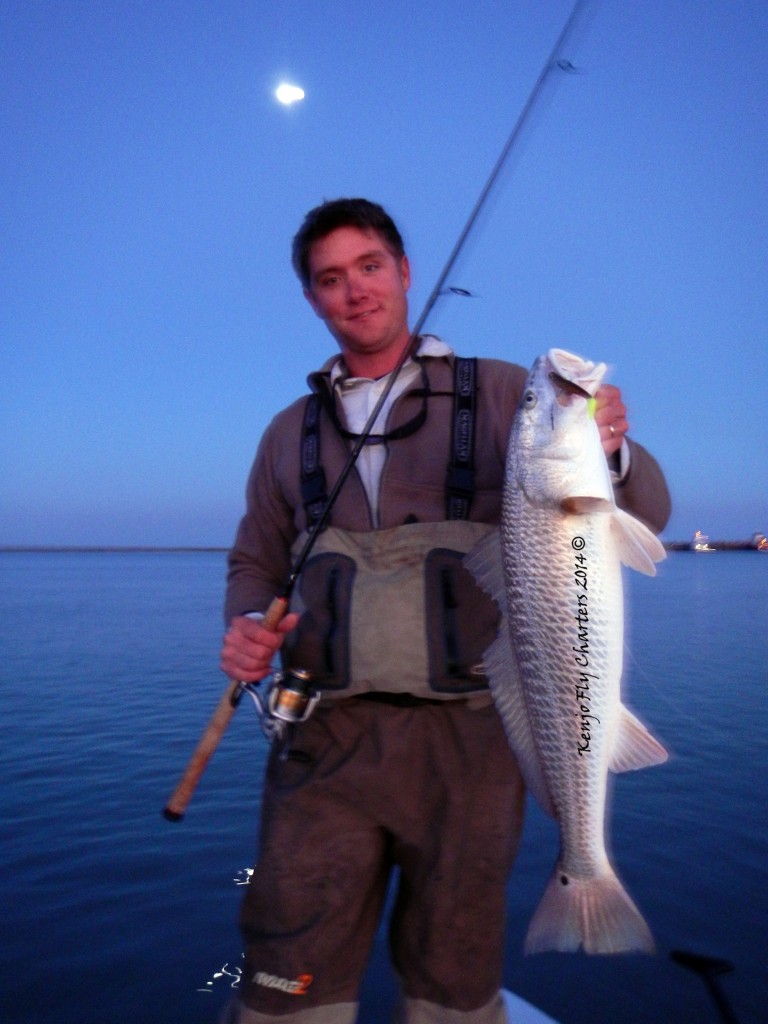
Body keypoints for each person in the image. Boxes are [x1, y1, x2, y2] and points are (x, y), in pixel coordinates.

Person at [219, 198, 671, 1024]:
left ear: (404, 273)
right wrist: (246, 623)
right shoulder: (288, 432)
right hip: (324, 746)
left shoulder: (505, 394)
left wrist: (611, 451)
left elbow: (650, 512)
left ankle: (576, 891)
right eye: (330, 279)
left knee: (454, 971)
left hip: (473, 743)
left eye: (369, 267)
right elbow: (255, 557)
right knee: (286, 968)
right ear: (313, 300)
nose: (354, 291)